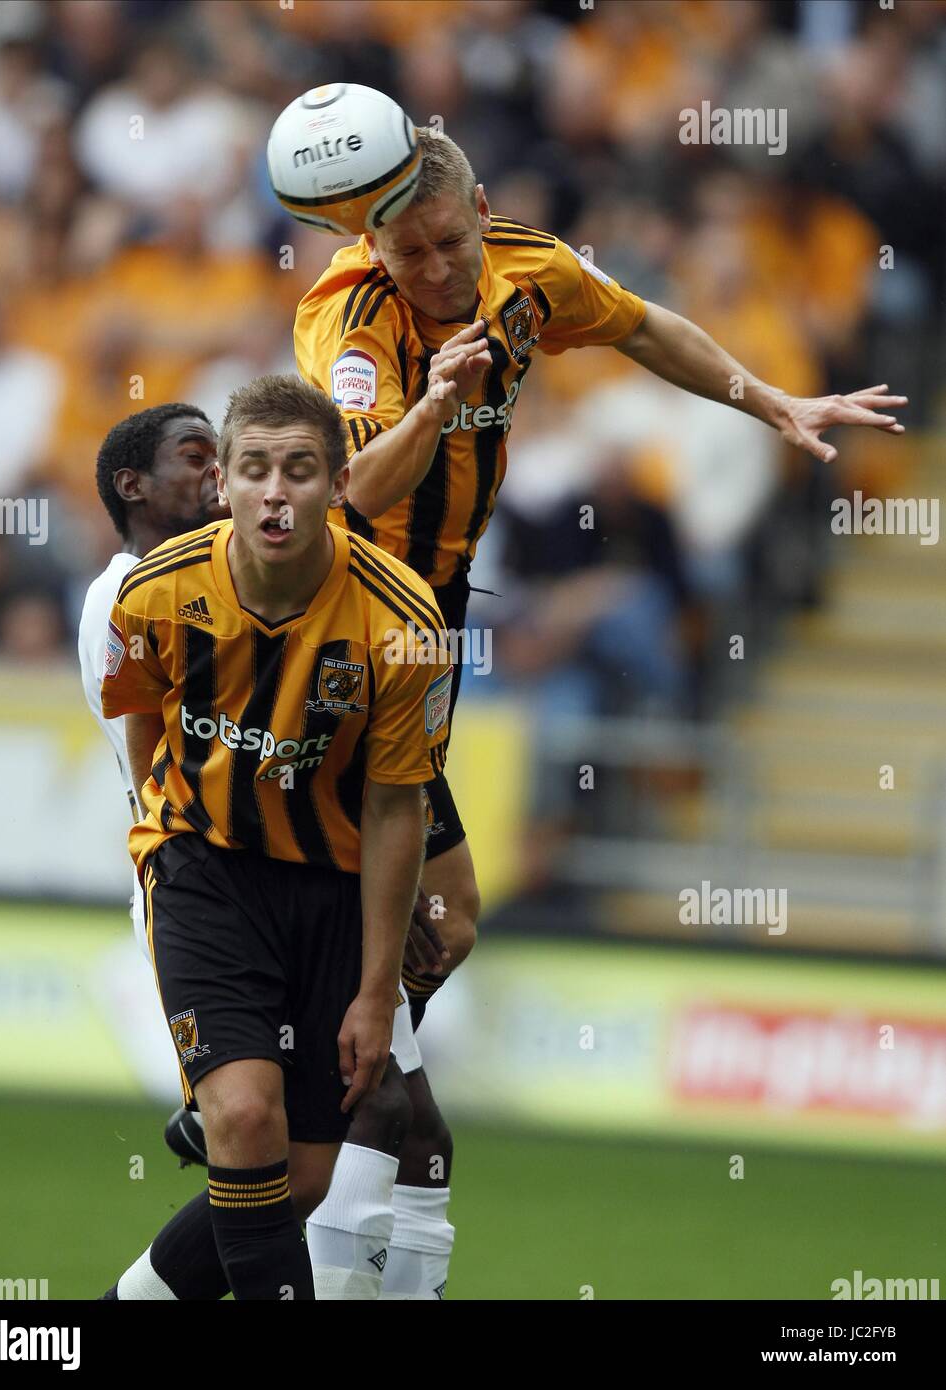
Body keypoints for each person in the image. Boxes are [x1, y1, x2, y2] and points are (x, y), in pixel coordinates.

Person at [292, 124, 908, 1284]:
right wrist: (433, 403)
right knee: (370, 903)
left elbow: (641, 327)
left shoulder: (528, 266)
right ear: (371, 243)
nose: (435, 270)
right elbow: (344, 495)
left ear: (482, 204)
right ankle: (297, 1061)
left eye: (448, 241)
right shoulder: (349, 318)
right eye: (408, 251)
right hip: (351, 612)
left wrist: (767, 398)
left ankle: (312, 1054)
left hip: (435, 615)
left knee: (454, 913)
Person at [98, 375, 451, 1301]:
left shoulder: (404, 622)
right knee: (243, 1117)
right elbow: (141, 722)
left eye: (299, 470)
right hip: (204, 872)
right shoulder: (156, 594)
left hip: (329, 888)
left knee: (303, 1175)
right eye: (252, 469)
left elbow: (395, 806)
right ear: (224, 483)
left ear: (339, 485)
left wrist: (377, 996)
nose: (274, 492)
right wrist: (163, 841)